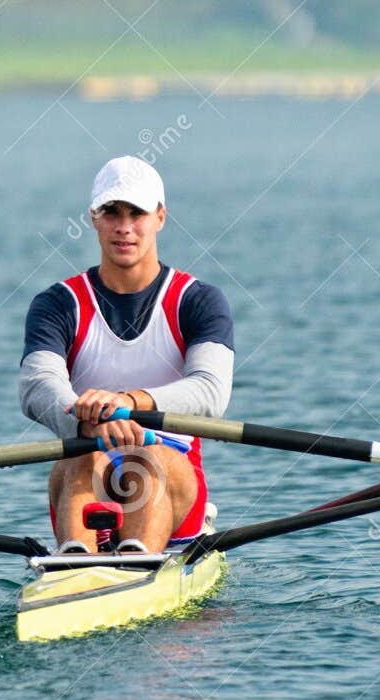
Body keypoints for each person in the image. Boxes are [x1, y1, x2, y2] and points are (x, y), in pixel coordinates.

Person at [19, 156, 234, 554]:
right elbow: (37, 386)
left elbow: (210, 392)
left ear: (161, 217)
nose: (124, 227)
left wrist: (127, 404)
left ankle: (135, 562)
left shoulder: (198, 301)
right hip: (86, 469)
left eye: (137, 213)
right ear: (93, 218)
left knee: (145, 452)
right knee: (83, 452)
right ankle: (75, 571)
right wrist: (84, 423)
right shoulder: (58, 304)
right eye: (111, 212)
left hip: (173, 484)